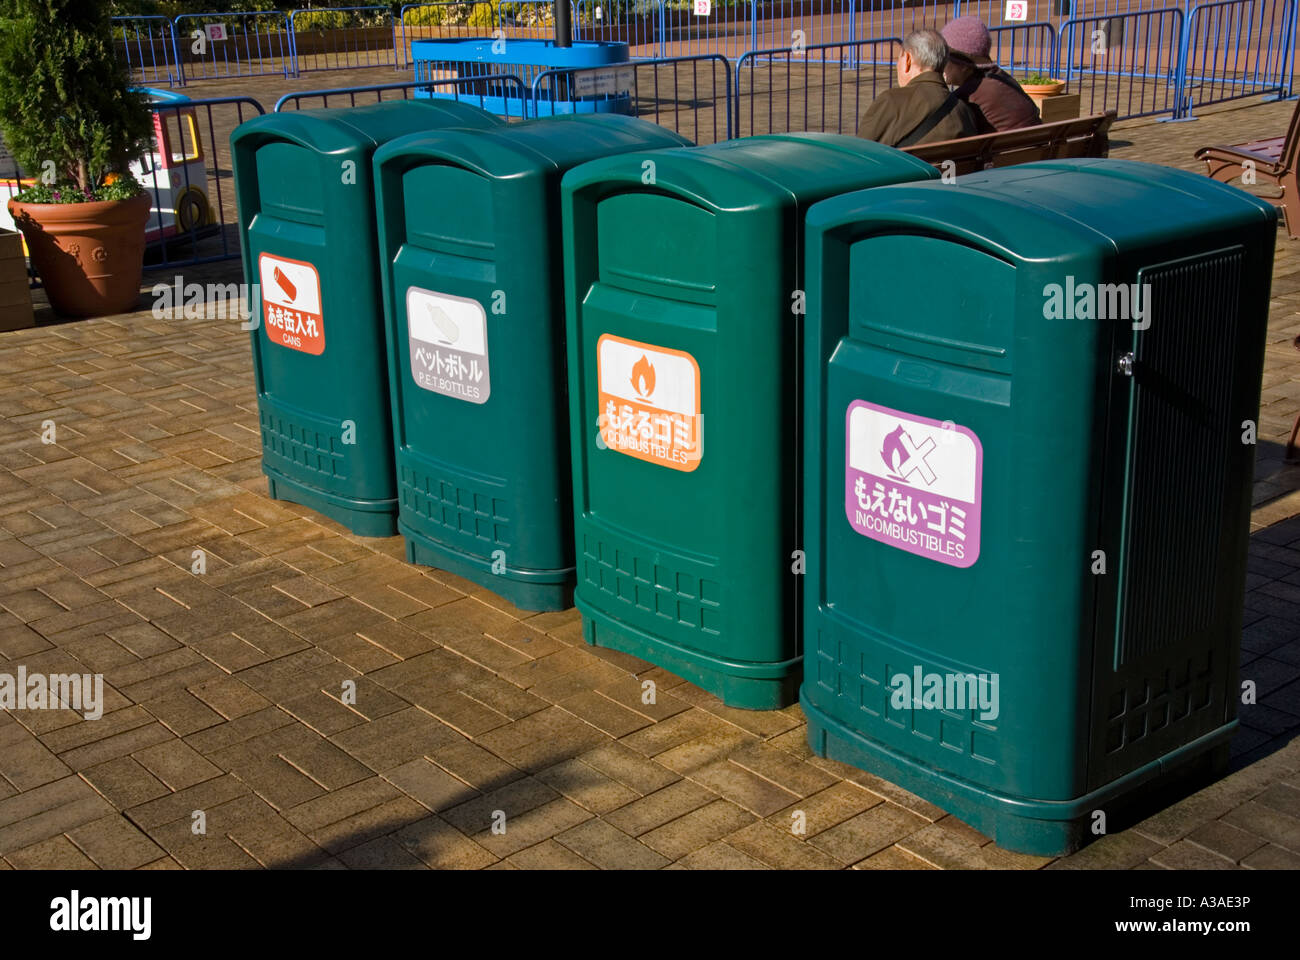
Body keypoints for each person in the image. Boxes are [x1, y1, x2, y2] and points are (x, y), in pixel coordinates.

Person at [857, 29, 979, 148]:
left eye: (899, 59)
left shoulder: (891, 101)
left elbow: (859, 151)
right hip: (954, 168)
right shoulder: (963, 109)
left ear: (908, 59)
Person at [941, 16, 1041, 133]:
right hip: (1037, 147)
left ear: (963, 66)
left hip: (1005, 149)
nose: (940, 64)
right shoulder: (1002, 77)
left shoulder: (967, 96)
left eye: (945, 60)